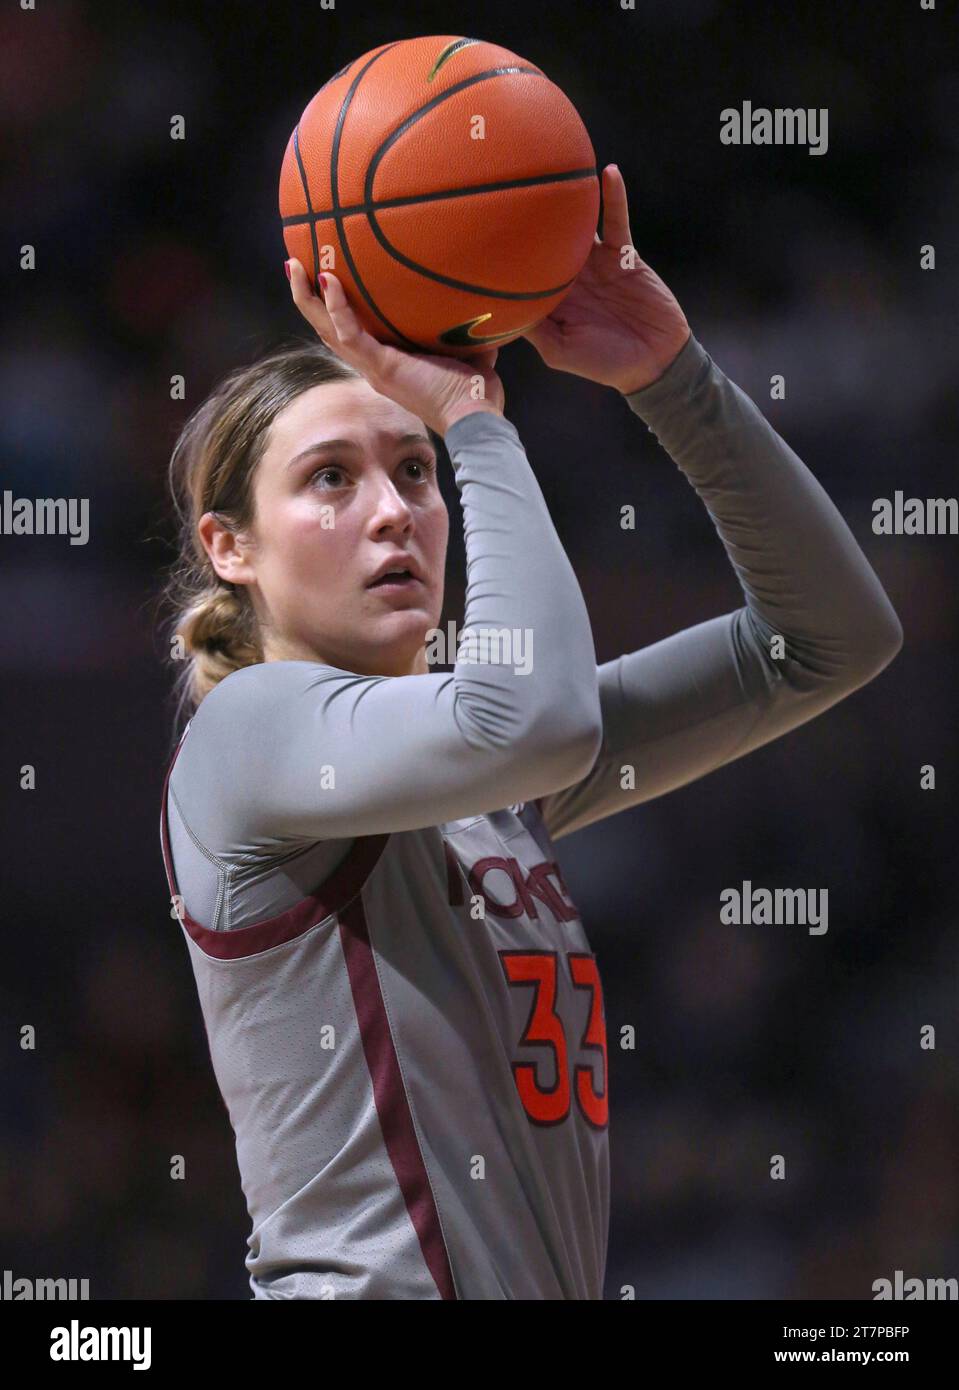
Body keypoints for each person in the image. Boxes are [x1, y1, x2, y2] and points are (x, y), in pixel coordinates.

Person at [158, 166, 902, 1299]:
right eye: (328, 480)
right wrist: (470, 424)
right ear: (230, 547)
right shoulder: (245, 735)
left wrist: (673, 380)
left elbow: (830, 639)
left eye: (413, 470)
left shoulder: (483, 766)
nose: (394, 508)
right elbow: (532, 715)